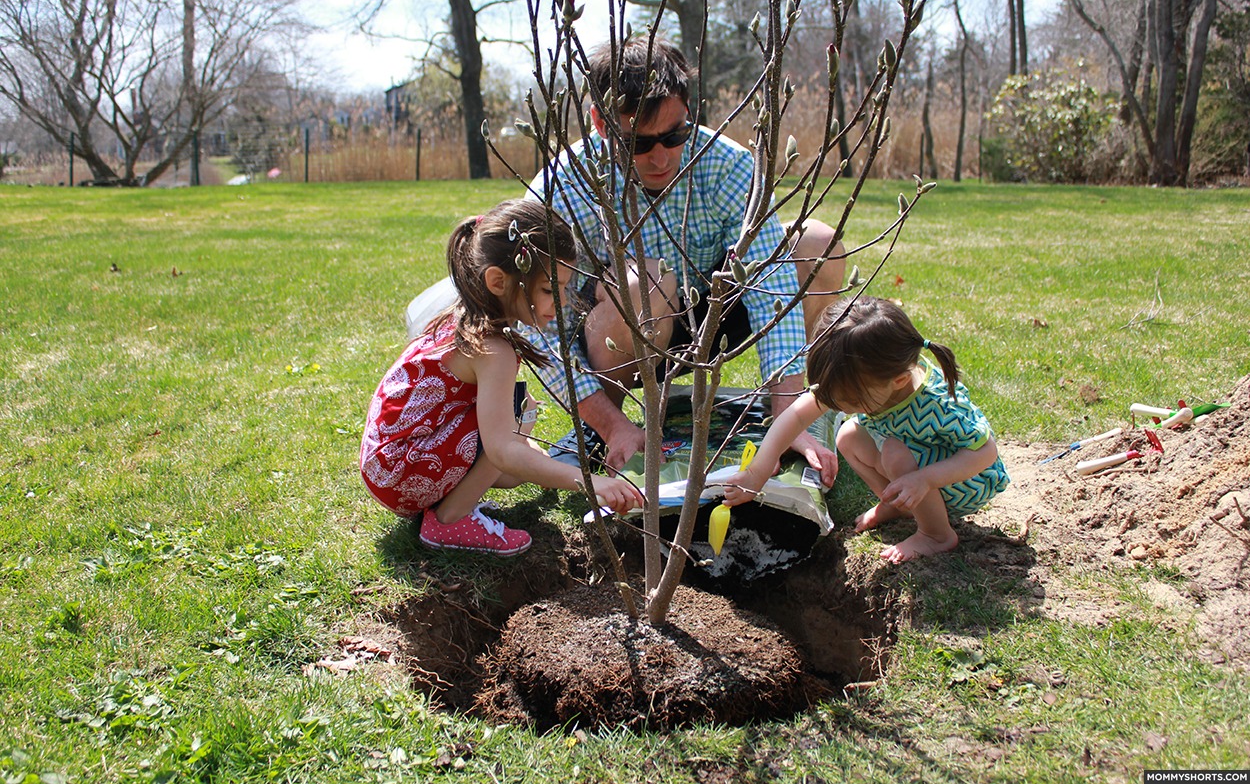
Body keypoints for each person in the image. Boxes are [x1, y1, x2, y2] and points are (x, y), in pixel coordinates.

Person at [528, 37, 846, 482]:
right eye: (639, 142)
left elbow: (769, 272)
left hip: (711, 316)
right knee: (647, 282)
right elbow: (539, 323)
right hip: (620, 336)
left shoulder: (726, 166)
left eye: (675, 135)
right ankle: (605, 434)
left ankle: (799, 417)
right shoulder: (563, 187)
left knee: (817, 243)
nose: (661, 157)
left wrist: (784, 413)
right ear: (601, 123)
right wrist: (607, 419)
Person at [360, 200, 644, 556]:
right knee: (512, 428)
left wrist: (523, 442)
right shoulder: (494, 350)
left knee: (516, 438)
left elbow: (507, 464)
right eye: (547, 290)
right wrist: (591, 483)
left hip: (387, 464)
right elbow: (502, 451)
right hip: (401, 471)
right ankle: (449, 520)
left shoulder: (465, 318)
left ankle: (452, 498)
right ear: (498, 281)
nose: (561, 303)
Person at [723, 296, 1009, 563]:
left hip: (962, 479)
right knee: (848, 435)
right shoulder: (870, 376)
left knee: (895, 455)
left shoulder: (936, 405)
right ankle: (899, 504)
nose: (844, 407)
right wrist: (756, 474)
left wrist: (925, 479)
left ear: (898, 381)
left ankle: (936, 534)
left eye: (853, 400)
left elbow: (985, 452)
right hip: (917, 463)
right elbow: (795, 416)